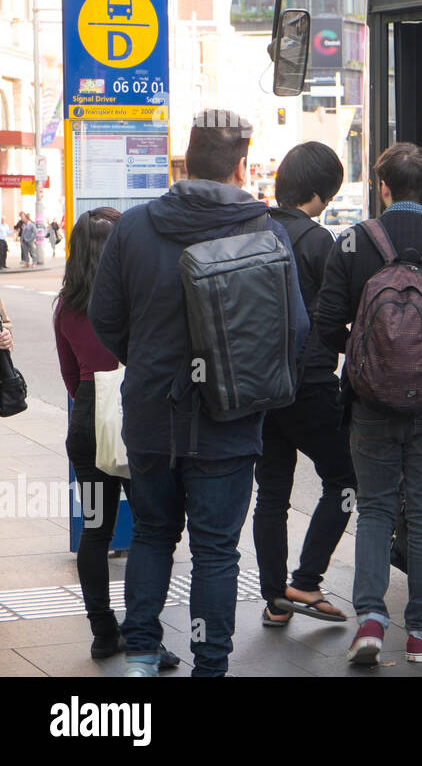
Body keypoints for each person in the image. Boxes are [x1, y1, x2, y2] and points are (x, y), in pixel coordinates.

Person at [89, 109, 310, 677]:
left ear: (185, 162)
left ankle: (139, 651)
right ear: (240, 165)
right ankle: (210, 664)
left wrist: (147, 363)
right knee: (216, 551)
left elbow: (105, 318)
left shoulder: (134, 228)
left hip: (152, 415)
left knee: (154, 533)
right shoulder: (266, 231)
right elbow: (297, 330)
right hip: (229, 420)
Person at [315, 142, 422, 665]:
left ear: (383, 187)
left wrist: (364, 356)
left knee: (376, 509)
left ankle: (371, 623)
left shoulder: (354, 243)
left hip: (368, 405)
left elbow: (324, 326)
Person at [54, 208, 182, 668]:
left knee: (95, 530)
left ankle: (102, 633)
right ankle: (144, 634)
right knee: (150, 529)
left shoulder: (65, 306)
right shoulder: (132, 298)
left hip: (87, 425)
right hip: (134, 420)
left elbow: (70, 377)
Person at [254, 142, 357, 628]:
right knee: (345, 477)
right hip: (310, 385)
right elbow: (338, 319)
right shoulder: (320, 243)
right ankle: (308, 580)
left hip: (255, 388)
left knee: (271, 492)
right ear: (321, 193)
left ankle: (276, 599)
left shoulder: (253, 231)